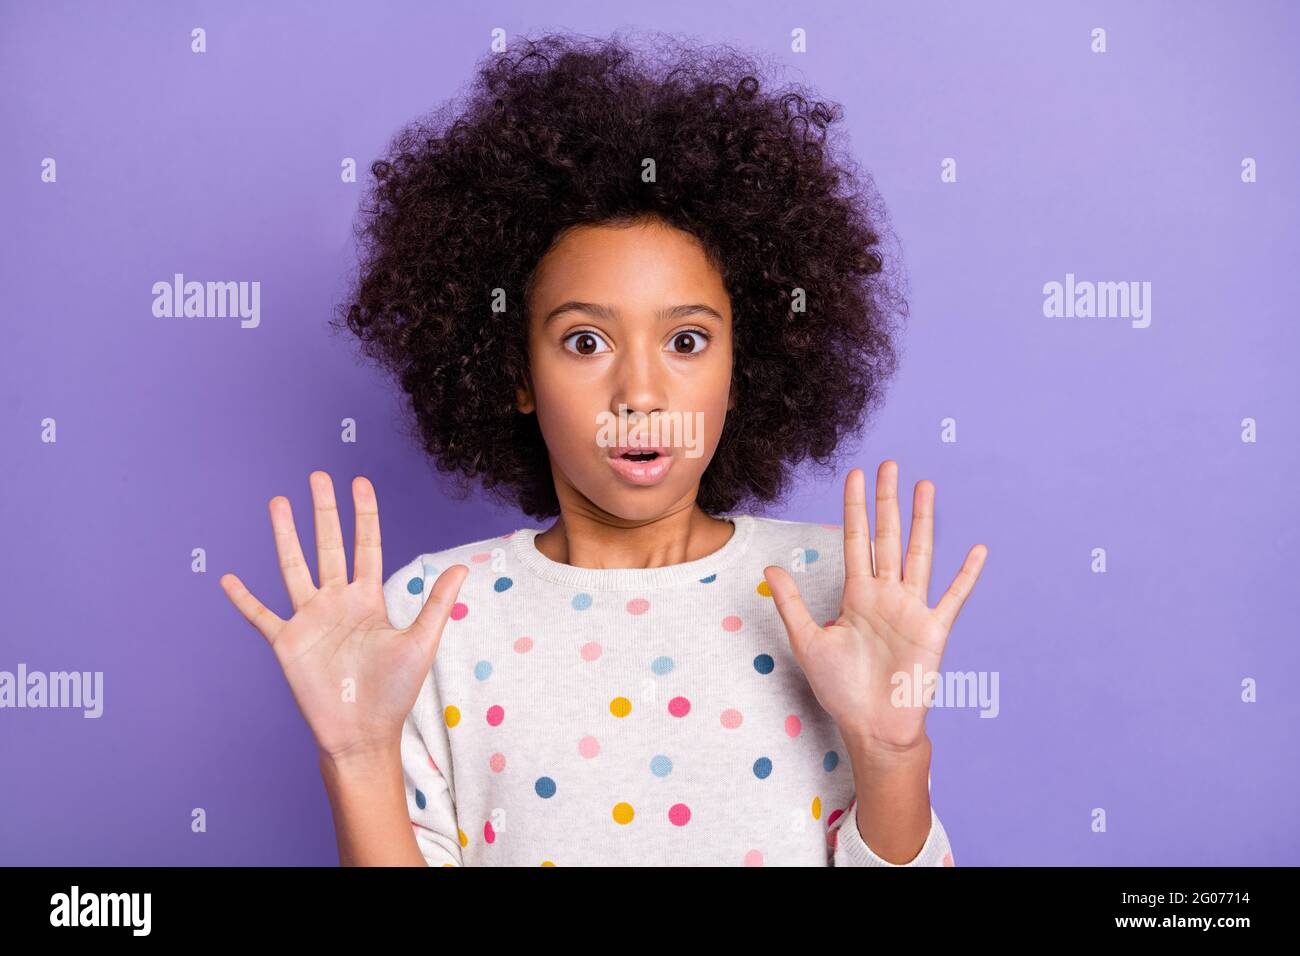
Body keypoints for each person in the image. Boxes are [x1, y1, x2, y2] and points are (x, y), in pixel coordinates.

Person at [220, 30, 987, 866]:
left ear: (744, 370)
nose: (641, 393)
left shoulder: (838, 594)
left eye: (687, 342)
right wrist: (356, 755)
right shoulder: (428, 619)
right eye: (585, 342)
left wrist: (891, 754)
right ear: (516, 374)